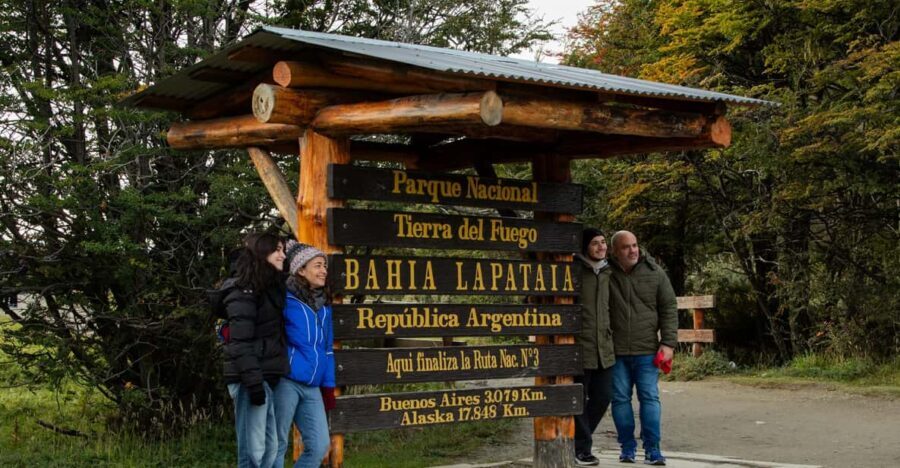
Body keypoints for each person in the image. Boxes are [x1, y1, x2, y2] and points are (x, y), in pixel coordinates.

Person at [210, 233, 288, 468]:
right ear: (261, 253)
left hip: (265, 375)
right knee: (254, 452)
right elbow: (240, 342)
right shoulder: (242, 291)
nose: (283, 254)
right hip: (249, 378)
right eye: (277, 249)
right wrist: (254, 383)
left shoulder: (268, 288)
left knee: (270, 448)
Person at [607, 230, 677, 465]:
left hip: (647, 350)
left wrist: (668, 343)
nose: (633, 250)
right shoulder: (605, 273)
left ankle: (653, 449)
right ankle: (627, 447)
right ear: (615, 252)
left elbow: (668, 308)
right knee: (619, 399)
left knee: (649, 398)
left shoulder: (654, 272)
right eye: (626, 247)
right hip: (615, 352)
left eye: (635, 245)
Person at [272, 240, 335, 468]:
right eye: (318, 265)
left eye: (325, 266)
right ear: (300, 269)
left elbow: (327, 349)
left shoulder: (324, 305)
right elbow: (270, 333)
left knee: (320, 445)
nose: (324, 271)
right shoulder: (285, 300)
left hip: (312, 385)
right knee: (277, 443)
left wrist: (328, 386)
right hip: (286, 381)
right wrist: (288, 362)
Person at [573, 228, 616, 466]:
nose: (601, 247)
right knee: (577, 398)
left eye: (603, 242)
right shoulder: (574, 269)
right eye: (595, 244)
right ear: (584, 247)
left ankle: (577, 440)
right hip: (580, 346)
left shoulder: (610, 271)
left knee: (603, 396)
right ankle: (582, 449)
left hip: (605, 348)